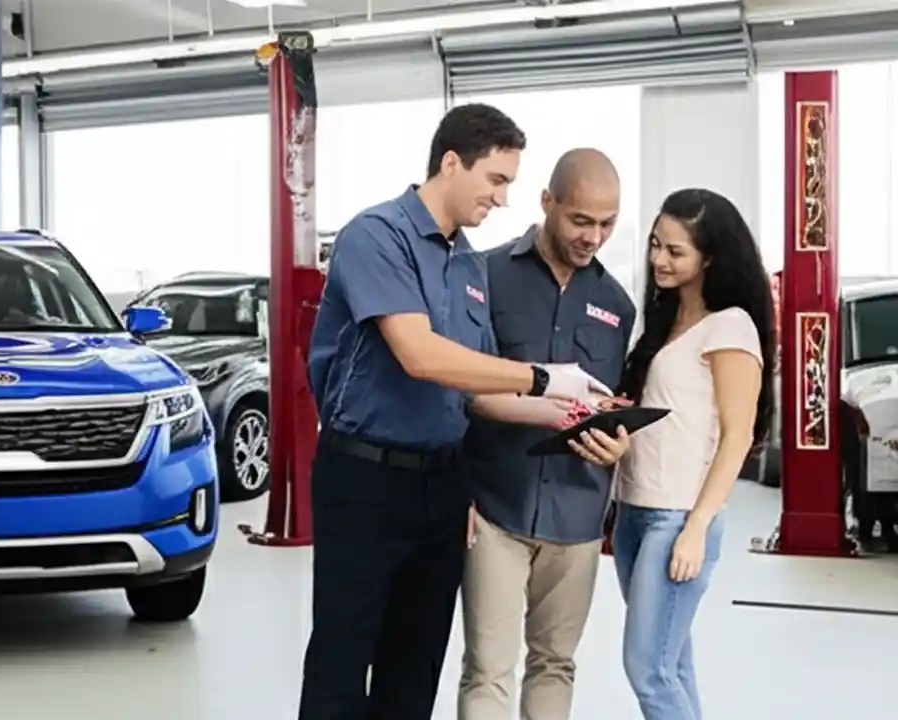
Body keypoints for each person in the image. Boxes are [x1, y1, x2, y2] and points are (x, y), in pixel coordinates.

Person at [299, 103, 618, 720]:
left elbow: (477, 389)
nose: (502, 199)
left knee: (414, 665)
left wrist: (570, 411)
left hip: (443, 486)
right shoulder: (377, 235)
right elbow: (420, 356)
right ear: (451, 162)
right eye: (496, 180)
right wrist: (544, 375)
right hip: (365, 479)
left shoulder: (468, 264)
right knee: (344, 655)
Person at [458, 148, 637, 720]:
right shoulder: (482, 275)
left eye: (607, 224)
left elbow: (607, 404)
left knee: (556, 662)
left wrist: (619, 443)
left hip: (578, 512)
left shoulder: (617, 304)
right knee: (488, 667)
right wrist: (455, 488)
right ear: (546, 203)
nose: (593, 237)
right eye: (580, 220)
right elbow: (456, 389)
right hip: (494, 507)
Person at [612, 188, 775, 720]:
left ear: (710, 257)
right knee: (671, 665)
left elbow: (738, 435)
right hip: (638, 512)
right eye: (656, 245)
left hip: (678, 519)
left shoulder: (730, 327)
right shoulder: (663, 324)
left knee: (649, 672)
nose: (659, 258)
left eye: (675, 251)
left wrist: (697, 527)